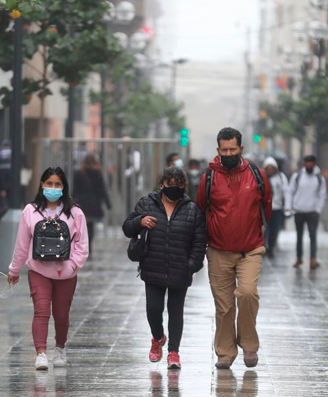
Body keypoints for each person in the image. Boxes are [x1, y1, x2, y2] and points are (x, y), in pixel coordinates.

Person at [196, 127, 273, 369]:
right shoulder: (209, 177)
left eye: (233, 149)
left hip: (250, 249)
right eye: (224, 150)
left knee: (248, 293)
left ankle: (249, 344)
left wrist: (257, 231)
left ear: (241, 148)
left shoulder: (256, 175)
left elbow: (267, 207)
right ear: (218, 150)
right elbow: (200, 210)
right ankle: (225, 351)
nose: (228, 153)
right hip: (218, 250)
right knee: (224, 305)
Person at [123, 167, 208, 369]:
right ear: (162, 184)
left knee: (175, 311)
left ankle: (174, 352)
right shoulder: (147, 203)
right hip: (153, 266)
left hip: (180, 269)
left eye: (179, 186)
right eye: (170, 185)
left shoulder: (192, 210)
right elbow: (127, 227)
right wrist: (140, 221)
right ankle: (157, 337)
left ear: (184, 187)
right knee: (153, 309)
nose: (174, 189)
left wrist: (192, 266)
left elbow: (199, 241)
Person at [7, 167, 90, 371]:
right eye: (49, 184)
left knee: (61, 316)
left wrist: (73, 266)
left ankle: (60, 348)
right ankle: (41, 353)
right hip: (38, 270)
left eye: (57, 184)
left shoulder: (75, 212)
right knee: (41, 311)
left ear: (64, 187)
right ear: (42, 185)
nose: (53, 188)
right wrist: (14, 269)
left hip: (66, 273)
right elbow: (22, 244)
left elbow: (82, 244)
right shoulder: (30, 211)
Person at [287, 155, 326, 269]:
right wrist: (289, 206)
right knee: (299, 236)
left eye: (311, 163)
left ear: (314, 164)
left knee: (313, 236)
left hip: (312, 212)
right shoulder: (297, 176)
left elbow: (322, 195)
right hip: (299, 211)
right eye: (307, 162)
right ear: (304, 164)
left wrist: (318, 209)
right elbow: (290, 191)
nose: (309, 165)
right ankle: (299, 258)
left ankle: (313, 259)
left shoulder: (319, 178)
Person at [73, 153, 112, 241]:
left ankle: (85, 243)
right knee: (90, 225)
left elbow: (75, 190)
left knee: (84, 224)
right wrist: (108, 204)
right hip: (95, 203)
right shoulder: (98, 173)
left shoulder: (79, 173)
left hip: (82, 203)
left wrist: (72, 203)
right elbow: (102, 190)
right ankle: (89, 244)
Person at [263, 157, 288, 260]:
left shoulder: (281, 178)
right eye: (267, 168)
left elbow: (286, 191)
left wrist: (287, 207)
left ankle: (271, 247)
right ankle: (264, 247)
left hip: (277, 209)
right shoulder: (262, 177)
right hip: (264, 209)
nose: (270, 170)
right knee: (265, 229)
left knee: (275, 230)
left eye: (271, 168)